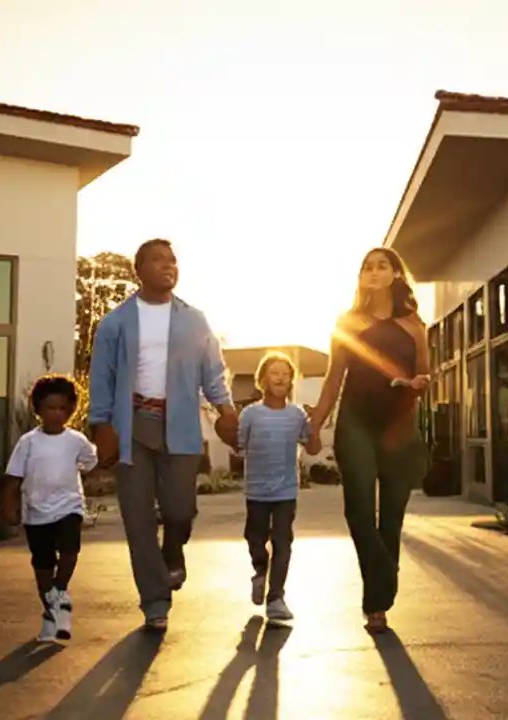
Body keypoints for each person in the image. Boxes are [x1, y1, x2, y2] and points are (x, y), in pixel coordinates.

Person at [88, 238, 238, 632]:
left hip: (180, 425)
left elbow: (213, 373)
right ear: (139, 270)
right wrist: (101, 424)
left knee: (179, 510)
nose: (168, 266)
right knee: (137, 519)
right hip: (131, 424)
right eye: (157, 260)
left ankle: (173, 548)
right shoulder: (115, 323)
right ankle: (155, 601)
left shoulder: (194, 319)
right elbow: (101, 377)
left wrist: (226, 411)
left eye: (172, 260)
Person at [307, 247, 430, 634]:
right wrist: (316, 423)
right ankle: (381, 586)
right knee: (359, 511)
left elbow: (424, 376)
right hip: (355, 423)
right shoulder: (347, 322)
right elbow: (333, 378)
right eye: (366, 267)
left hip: (398, 427)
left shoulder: (414, 325)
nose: (373, 272)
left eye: (381, 266)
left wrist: (416, 384)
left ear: (396, 274)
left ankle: (377, 600)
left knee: (391, 518)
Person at [1, 374, 98, 642]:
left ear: (70, 410)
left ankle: (60, 591)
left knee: (69, 550)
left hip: (69, 506)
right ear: (38, 409)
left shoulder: (76, 440)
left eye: (62, 409)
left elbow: (91, 462)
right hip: (36, 512)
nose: (56, 414)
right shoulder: (28, 442)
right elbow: (13, 478)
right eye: (50, 408)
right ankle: (53, 614)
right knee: (42, 564)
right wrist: (8, 507)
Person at [236, 351, 322, 622]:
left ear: (291, 381)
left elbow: (313, 446)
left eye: (286, 374)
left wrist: (315, 425)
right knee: (255, 539)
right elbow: (238, 446)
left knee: (283, 541)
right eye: (274, 373)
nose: (281, 378)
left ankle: (276, 597)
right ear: (262, 379)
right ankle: (260, 571)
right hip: (257, 491)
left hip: (286, 491)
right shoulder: (250, 414)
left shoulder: (297, 415)